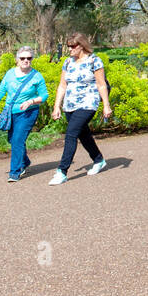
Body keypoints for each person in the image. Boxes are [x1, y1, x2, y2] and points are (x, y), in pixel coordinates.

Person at [0, 47, 49, 182]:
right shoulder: (10, 74)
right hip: (10, 112)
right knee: (12, 140)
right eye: (23, 58)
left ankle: (15, 172)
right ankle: (25, 161)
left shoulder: (36, 76)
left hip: (28, 113)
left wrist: (31, 101)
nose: (26, 61)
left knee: (17, 140)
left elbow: (44, 95)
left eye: (29, 58)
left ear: (32, 60)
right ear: (17, 60)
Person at [49, 33, 113, 185]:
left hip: (88, 103)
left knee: (71, 134)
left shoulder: (94, 61)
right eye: (68, 46)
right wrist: (56, 106)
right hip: (70, 104)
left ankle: (62, 171)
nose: (69, 49)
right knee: (83, 134)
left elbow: (101, 84)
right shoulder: (68, 62)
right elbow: (62, 85)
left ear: (82, 46)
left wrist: (106, 105)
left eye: (73, 46)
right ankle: (98, 160)